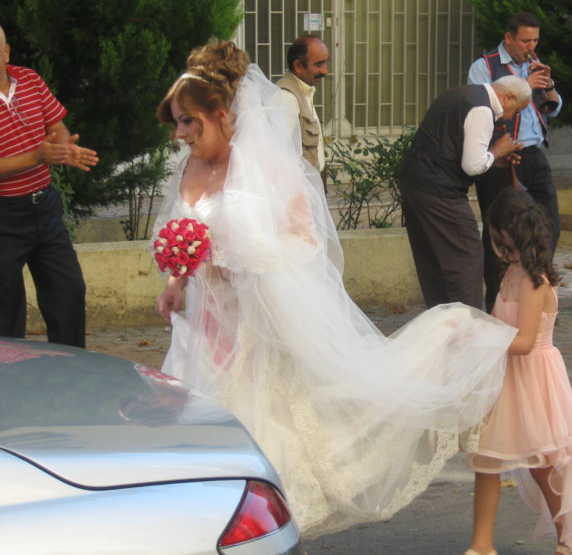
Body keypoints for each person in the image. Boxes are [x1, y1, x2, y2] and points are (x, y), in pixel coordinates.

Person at [153, 39, 518, 539]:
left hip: (259, 330)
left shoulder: (267, 167)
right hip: (204, 326)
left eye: (189, 122)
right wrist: (176, 280)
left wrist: (243, 257)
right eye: (176, 123)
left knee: (266, 433)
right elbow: (187, 235)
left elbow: (304, 241)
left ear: (220, 114)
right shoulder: (191, 168)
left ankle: (256, 531)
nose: (180, 134)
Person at [464, 188, 572, 555]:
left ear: (508, 236)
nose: (494, 244)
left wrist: (479, 338)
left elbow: (524, 342)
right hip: (507, 377)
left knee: (543, 464)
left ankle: (570, 541)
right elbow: (500, 325)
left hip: (533, 377)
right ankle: (481, 545)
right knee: (487, 459)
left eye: (496, 237)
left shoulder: (532, 281)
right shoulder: (511, 273)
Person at [0, 24, 99, 348]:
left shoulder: (29, 79)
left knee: (68, 291)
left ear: (6, 51)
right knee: (5, 308)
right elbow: (35, 155)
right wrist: (36, 156)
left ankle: (72, 376)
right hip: (4, 216)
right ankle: (8, 385)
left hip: (45, 208)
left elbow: (56, 126)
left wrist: (63, 147)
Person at [398, 75, 530, 309]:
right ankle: (469, 330)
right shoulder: (481, 109)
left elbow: (454, 149)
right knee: (466, 258)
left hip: (417, 185)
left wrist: (494, 158)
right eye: (516, 110)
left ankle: (442, 327)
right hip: (440, 191)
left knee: (433, 263)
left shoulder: (462, 93)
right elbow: (473, 165)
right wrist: (498, 151)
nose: (511, 117)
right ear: (508, 97)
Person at [468, 12, 563, 311]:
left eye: (535, 40)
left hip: (534, 153)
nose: (530, 46)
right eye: (525, 40)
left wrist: (547, 88)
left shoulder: (534, 65)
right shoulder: (483, 67)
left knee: (550, 226)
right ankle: (499, 305)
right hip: (501, 156)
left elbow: (554, 109)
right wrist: (525, 84)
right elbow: (481, 106)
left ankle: (537, 302)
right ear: (509, 37)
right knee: (501, 232)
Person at [276, 36, 329, 191]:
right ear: (298, 66)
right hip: (301, 192)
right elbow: (280, 157)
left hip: (313, 185)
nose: (325, 71)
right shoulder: (286, 97)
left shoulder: (303, 91)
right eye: (319, 64)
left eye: (326, 63)